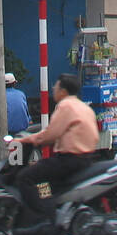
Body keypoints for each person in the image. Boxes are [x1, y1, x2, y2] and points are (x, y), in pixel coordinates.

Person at [15, 74, 98, 225]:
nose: (53, 89)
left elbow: (51, 134)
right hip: (86, 159)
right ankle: (52, 206)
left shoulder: (65, 106)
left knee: (25, 177)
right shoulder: (84, 107)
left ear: (63, 91)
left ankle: (44, 216)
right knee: (45, 179)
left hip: (69, 160)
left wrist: (28, 140)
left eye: (56, 86)